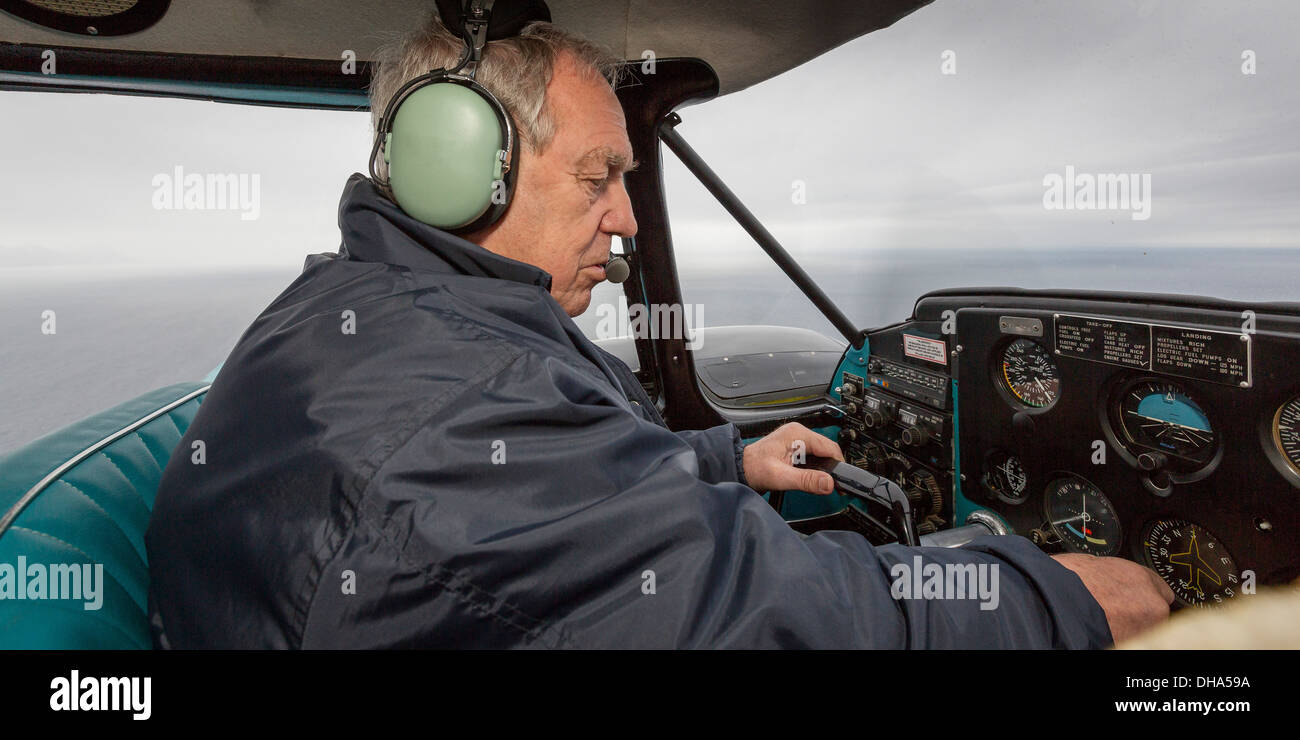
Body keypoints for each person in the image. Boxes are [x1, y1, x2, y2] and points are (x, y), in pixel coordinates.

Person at [145, 13, 1172, 648]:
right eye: (598, 176)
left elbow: (546, 502)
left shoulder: (353, 314)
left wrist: (724, 456)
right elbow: (758, 619)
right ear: (461, 171)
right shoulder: (455, 403)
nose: (627, 219)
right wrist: (1053, 600)